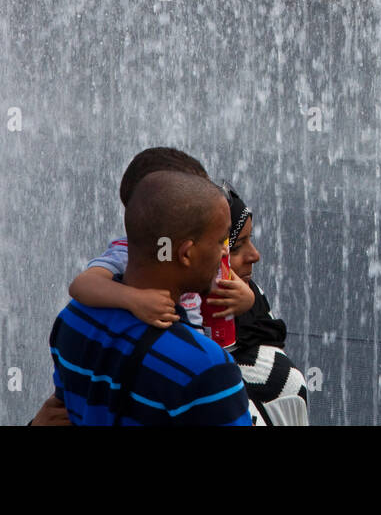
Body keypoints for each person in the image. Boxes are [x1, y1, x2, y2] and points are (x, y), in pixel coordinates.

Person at [48, 171, 253, 425]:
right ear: (186, 253)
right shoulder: (206, 366)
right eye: (221, 240)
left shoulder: (73, 319)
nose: (225, 251)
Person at [222, 186, 310, 425]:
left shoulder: (252, 294)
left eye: (250, 240)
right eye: (237, 247)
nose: (255, 255)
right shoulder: (177, 318)